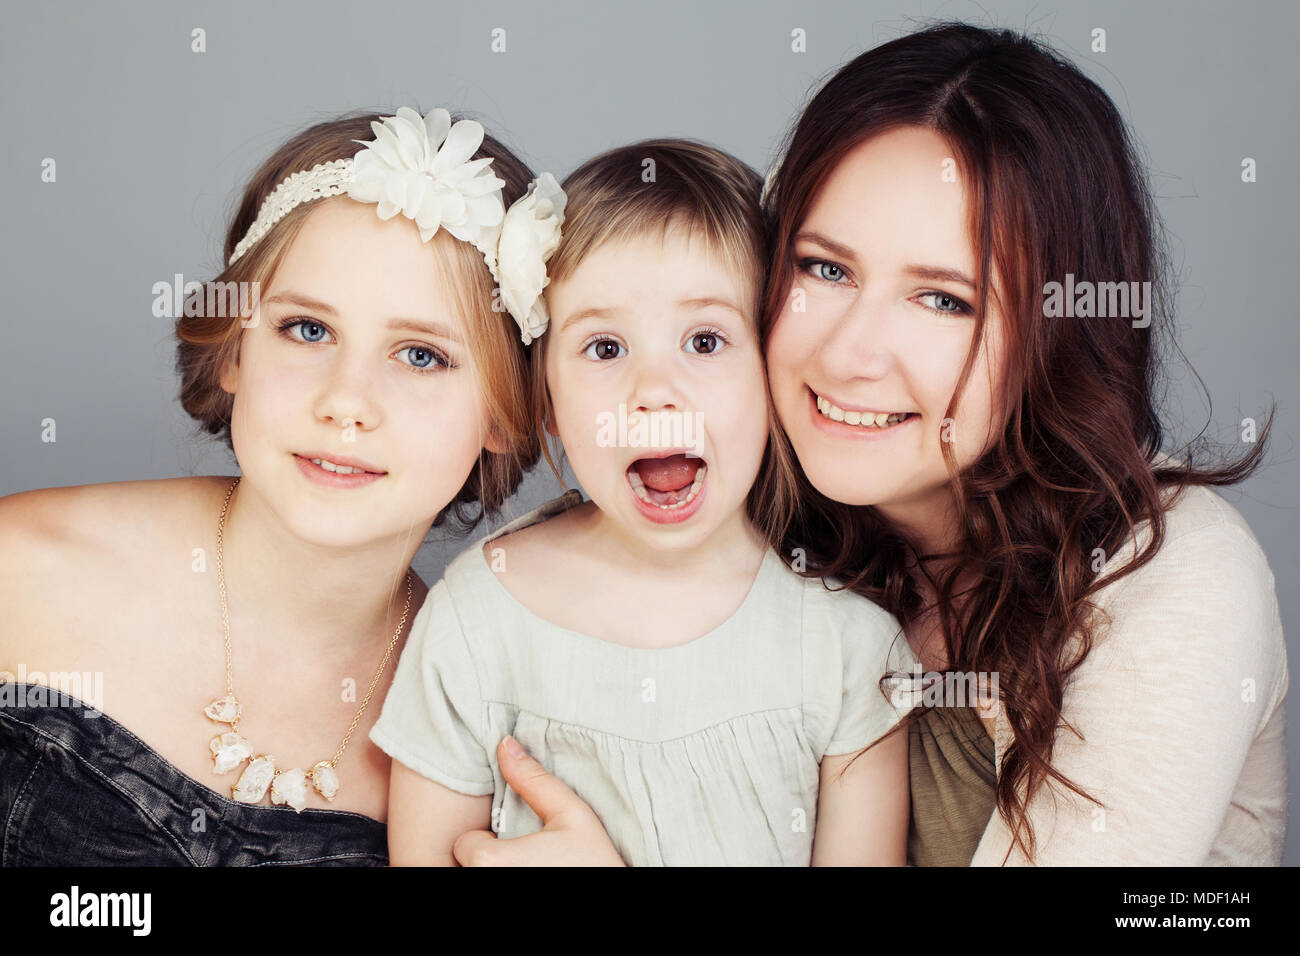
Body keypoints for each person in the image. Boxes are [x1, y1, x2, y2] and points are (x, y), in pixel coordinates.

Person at [450, 22, 1289, 866]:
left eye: (944, 301)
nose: (850, 354)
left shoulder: (1169, 572)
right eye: (826, 268)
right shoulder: (757, 527)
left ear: (1055, 333)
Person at [0, 106, 559, 865]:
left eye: (422, 356)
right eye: (308, 329)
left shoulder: (487, 724)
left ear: (504, 410)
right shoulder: (23, 572)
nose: (346, 403)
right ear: (234, 351)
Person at [370, 139, 919, 866]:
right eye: (604, 348)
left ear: (773, 374)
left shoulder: (848, 652)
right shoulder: (480, 618)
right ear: (550, 405)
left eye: (705, 339)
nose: (654, 388)